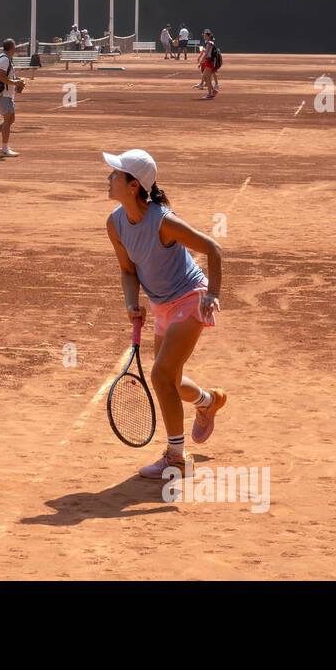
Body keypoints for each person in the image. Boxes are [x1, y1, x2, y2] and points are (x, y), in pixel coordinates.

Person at [103, 148, 225, 479]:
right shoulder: (115, 224)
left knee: (159, 376)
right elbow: (128, 271)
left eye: (116, 174)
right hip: (162, 304)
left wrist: (212, 294)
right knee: (168, 380)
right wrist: (131, 303)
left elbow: (213, 248)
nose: (109, 178)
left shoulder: (163, 221)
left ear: (133, 186)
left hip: (190, 298)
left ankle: (176, 458)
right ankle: (207, 401)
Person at [196, 29, 219, 98]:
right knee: (206, 77)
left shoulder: (209, 43)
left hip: (209, 61)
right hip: (209, 61)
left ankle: (210, 94)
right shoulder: (210, 43)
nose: (204, 37)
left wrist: (201, 62)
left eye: (205, 36)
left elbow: (206, 54)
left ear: (208, 36)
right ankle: (212, 91)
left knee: (208, 78)